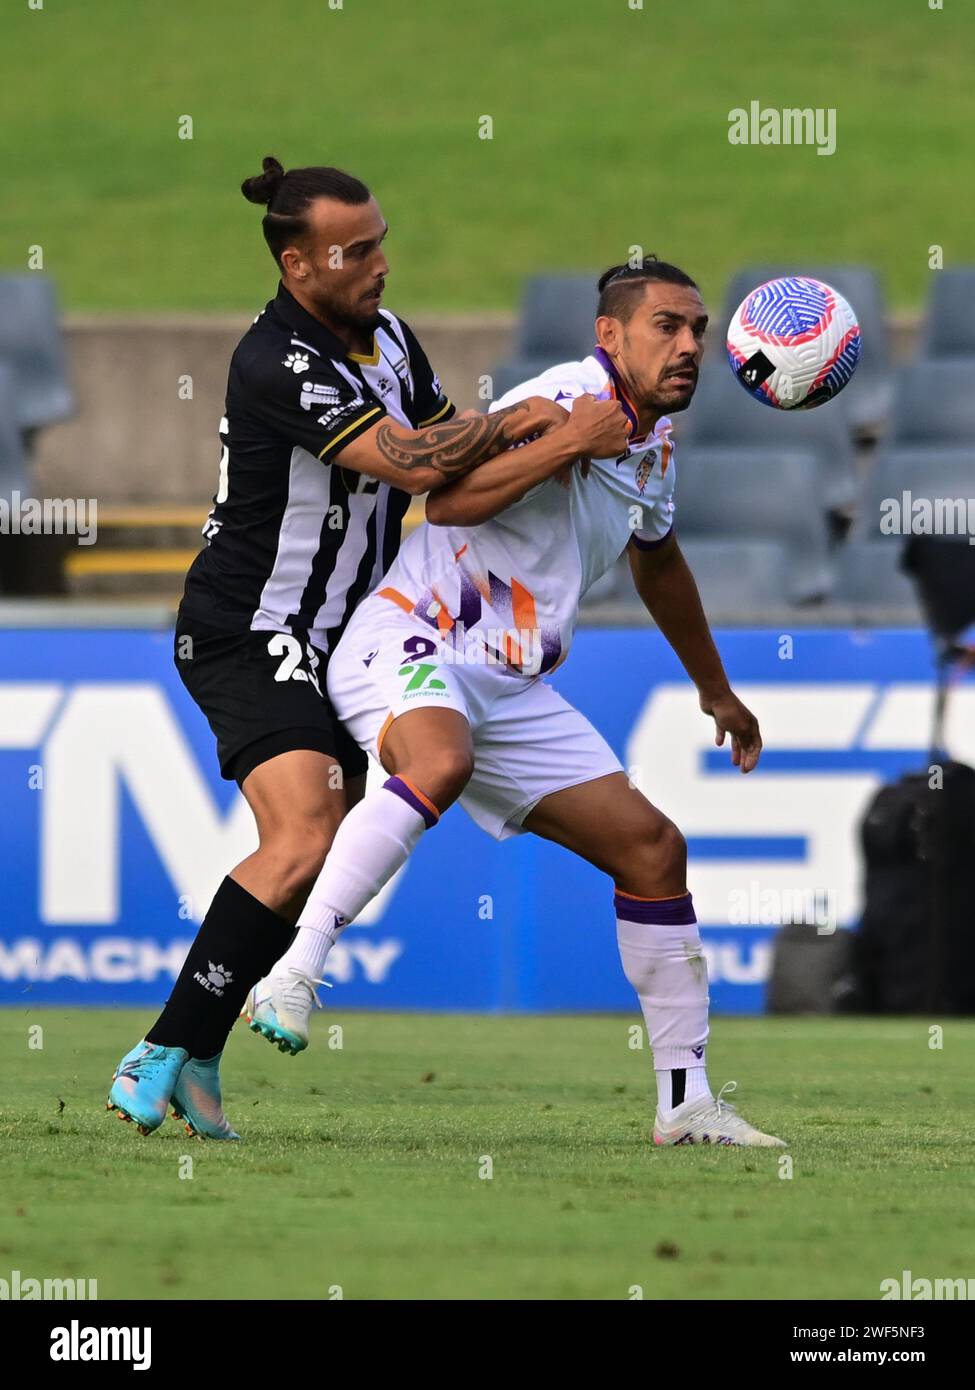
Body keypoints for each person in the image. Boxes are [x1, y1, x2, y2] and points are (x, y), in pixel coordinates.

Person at [106, 156, 599, 1140]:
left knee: (317, 843)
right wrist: (526, 428)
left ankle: (196, 1045)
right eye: (356, 249)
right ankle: (164, 1044)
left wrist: (531, 441)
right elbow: (411, 460)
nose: (380, 262)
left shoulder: (388, 338)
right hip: (251, 628)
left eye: (382, 240)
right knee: (304, 833)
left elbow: (441, 431)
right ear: (298, 263)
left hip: (344, 636)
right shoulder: (277, 360)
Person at [246, 256, 785, 1148]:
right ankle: (296, 970)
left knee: (653, 850)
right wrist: (568, 440)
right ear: (608, 335)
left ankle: (684, 1103)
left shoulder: (651, 438)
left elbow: (657, 558)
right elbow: (447, 505)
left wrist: (715, 689)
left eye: (697, 330)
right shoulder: (564, 396)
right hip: (410, 635)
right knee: (439, 762)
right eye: (666, 326)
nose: (689, 344)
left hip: (505, 679)